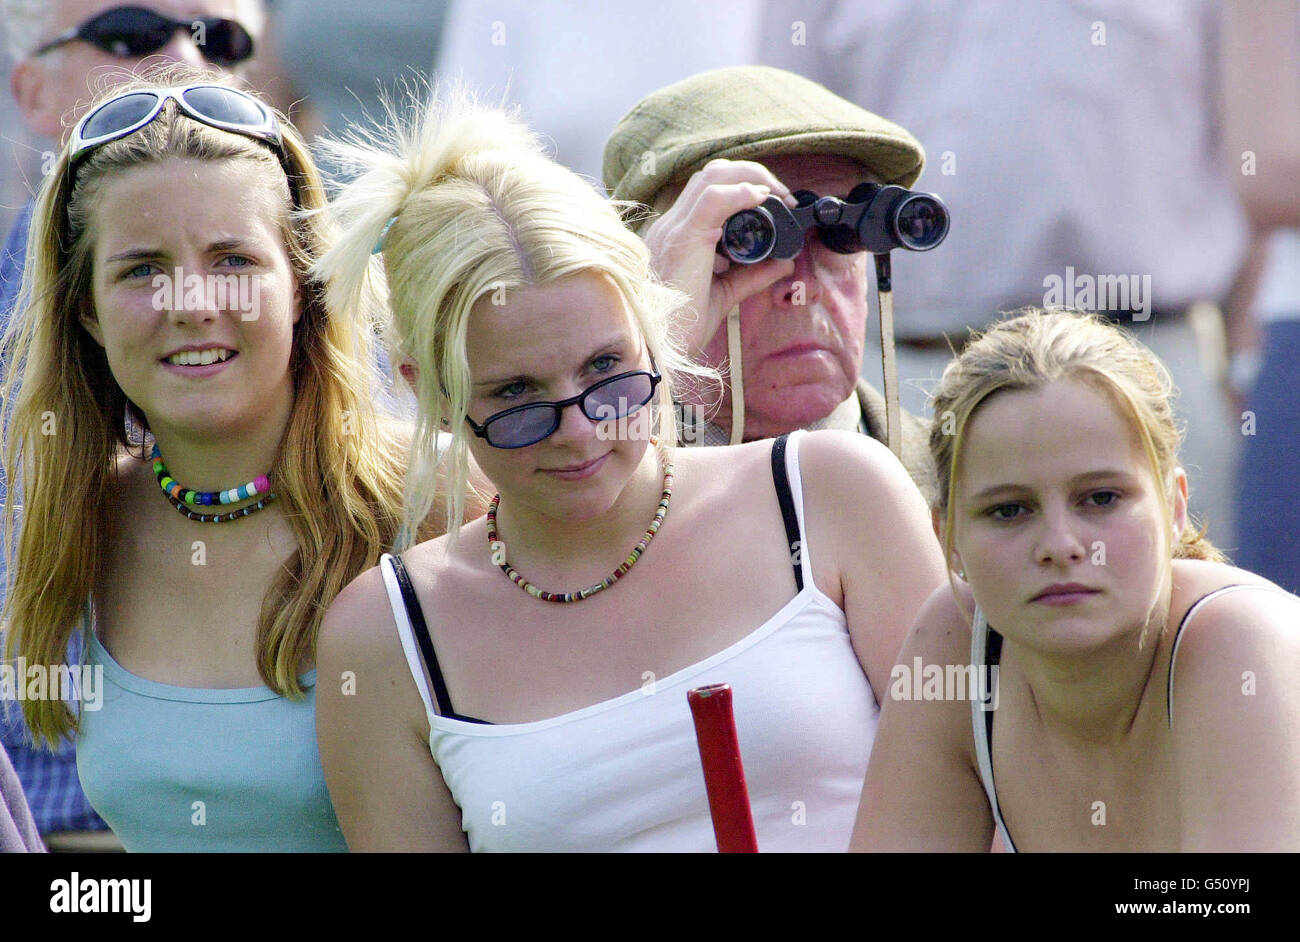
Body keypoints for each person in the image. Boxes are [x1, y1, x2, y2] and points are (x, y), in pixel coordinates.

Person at [312, 90, 946, 852]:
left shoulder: (838, 492)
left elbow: (971, 797)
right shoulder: (384, 631)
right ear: (431, 393)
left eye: (606, 368)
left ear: (656, 328)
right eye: (516, 395)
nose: (580, 429)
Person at [0, 69, 444, 851]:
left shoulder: (440, 494)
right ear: (88, 313)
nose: (193, 303)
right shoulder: (77, 517)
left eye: (233, 259)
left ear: (306, 281)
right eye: (141, 269)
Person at [851, 309, 1300, 852]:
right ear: (947, 537)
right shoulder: (956, 641)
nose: (1060, 545)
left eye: (1101, 498)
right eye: (1010, 510)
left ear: (1175, 505)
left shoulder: (1242, 639)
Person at [0, 0, 265, 850]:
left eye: (221, 40)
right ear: (32, 92)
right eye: (132, 33)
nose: (186, 56)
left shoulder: (348, 345)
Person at [603, 65, 935, 503]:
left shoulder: (972, 484)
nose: (802, 286)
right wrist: (655, 346)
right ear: (648, 270)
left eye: (839, 240)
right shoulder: (581, 513)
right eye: (745, 240)